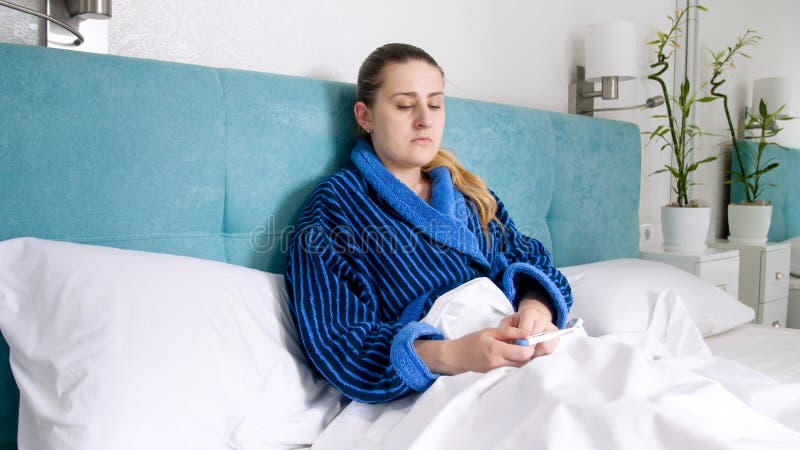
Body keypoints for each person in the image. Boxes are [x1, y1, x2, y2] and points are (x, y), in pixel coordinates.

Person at [284, 43, 572, 404]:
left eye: (435, 104)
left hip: (523, 353)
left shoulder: (470, 194)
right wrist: (454, 354)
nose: (425, 119)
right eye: (405, 105)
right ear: (365, 116)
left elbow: (529, 258)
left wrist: (535, 311)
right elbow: (339, 340)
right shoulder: (334, 207)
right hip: (436, 384)